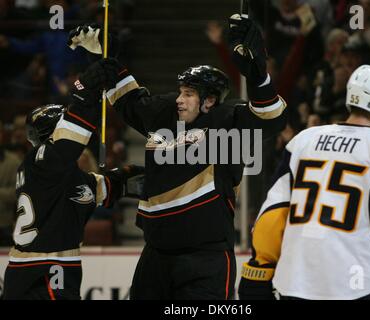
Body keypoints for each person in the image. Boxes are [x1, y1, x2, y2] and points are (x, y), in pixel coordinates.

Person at [68, 14, 288, 299]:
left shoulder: (228, 119)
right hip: (156, 255)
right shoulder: (167, 112)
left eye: (188, 94)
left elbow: (271, 119)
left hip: (206, 260)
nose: (179, 99)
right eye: (180, 91)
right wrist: (107, 58)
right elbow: (130, 103)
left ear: (209, 100)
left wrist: (259, 76)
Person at [238, 64, 370, 300]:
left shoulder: (304, 140)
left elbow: (273, 215)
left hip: (296, 285)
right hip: (359, 287)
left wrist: (258, 269)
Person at [2, 61, 144, 300]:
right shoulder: (44, 159)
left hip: (35, 266)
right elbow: (74, 131)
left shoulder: (50, 172)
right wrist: (86, 87)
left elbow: (103, 188)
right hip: (45, 266)